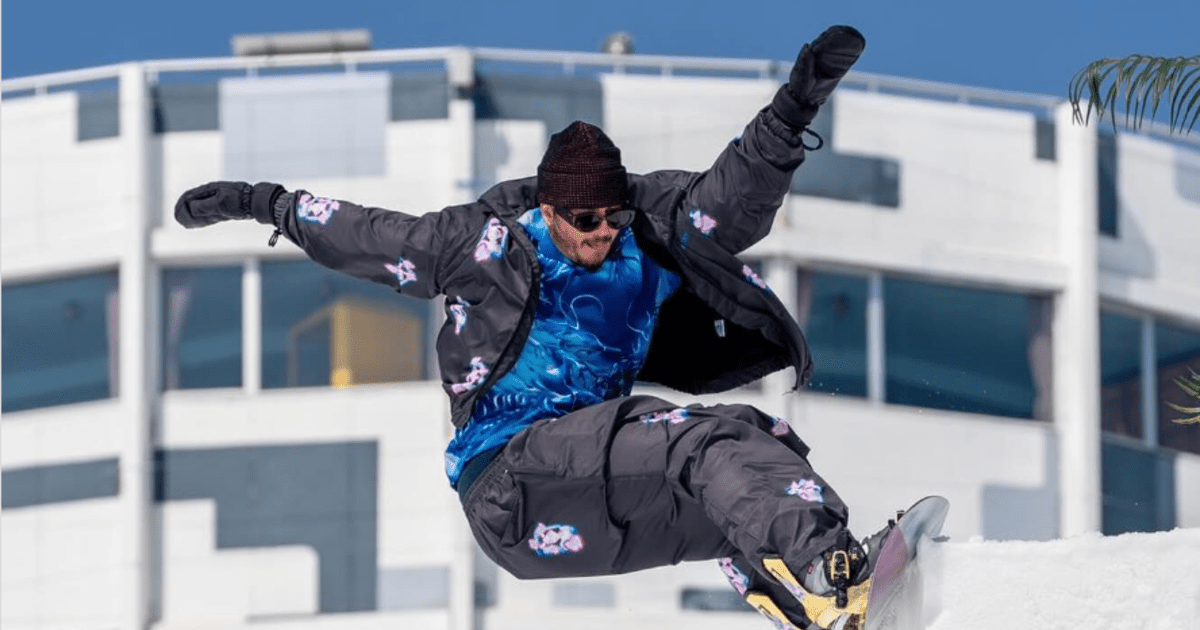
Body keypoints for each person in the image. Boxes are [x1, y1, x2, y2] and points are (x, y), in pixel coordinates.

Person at [175, 25, 890, 630]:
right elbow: (372, 236)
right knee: (701, 442)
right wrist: (264, 202)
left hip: (596, 491)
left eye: (613, 218)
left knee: (756, 453)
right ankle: (826, 569)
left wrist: (790, 115)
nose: (603, 234)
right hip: (511, 483)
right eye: (585, 220)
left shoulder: (649, 236)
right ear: (549, 209)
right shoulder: (482, 245)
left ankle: (816, 603)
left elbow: (727, 204)